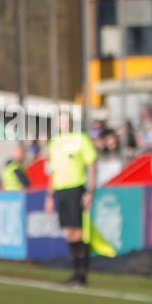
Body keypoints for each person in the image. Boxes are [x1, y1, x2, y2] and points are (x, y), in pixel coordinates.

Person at [44, 110, 98, 287]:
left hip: (76, 188)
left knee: (78, 230)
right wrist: (50, 195)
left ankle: (82, 275)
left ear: (71, 122)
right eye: (61, 122)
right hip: (61, 189)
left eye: (66, 121)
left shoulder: (81, 139)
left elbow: (91, 164)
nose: (64, 124)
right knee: (68, 231)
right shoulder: (55, 142)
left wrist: (90, 191)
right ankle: (75, 273)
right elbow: (53, 171)